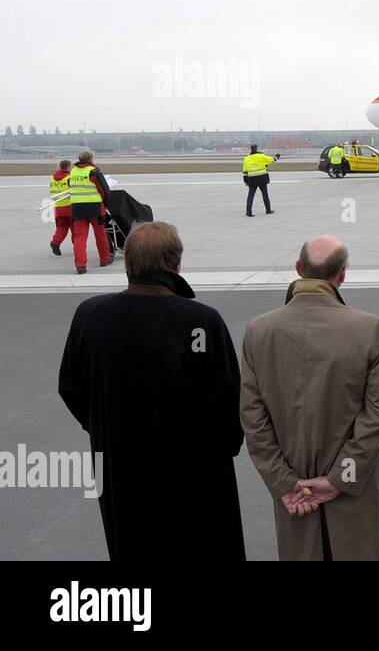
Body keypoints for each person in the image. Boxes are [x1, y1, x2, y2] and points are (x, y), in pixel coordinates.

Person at [58, 222, 245, 561]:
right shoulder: (201, 321)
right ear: (176, 264)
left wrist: (102, 425)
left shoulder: (90, 315)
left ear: (128, 263)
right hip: (194, 472)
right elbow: (228, 400)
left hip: (120, 466)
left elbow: (71, 386)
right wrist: (222, 447)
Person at [240, 235, 379, 561]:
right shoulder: (368, 329)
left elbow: (253, 419)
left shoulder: (259, 331)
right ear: (342, 274)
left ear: (298, 268)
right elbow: (378, 412)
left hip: (295, 496)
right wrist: (342, 476)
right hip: (352, 495)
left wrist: (284, 483)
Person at [67, 150, 112, 274]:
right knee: (100, 235)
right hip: (95, 208)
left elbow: (69, 185)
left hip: (77, 208)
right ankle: (104, 259)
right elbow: (105, 191)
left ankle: (80, 264)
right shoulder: (93, 172)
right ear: (91, 158)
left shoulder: (73, 171)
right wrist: (105, 204)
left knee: (79, 238)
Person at [242, 143, 280, 216]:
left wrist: (246, 181)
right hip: (262, 178)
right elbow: (271, 160)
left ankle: (248, 212)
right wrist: (277, 157)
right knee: (265, 194)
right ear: (256, 149)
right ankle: (268, 210)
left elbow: (245, 172)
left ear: (251, 149)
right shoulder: (261, 156)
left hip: (252, 179)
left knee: (250, 196)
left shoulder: (246, 158)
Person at [49, 159, 73, 256]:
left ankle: (55, 242)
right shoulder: (69, 177)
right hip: (70, 207)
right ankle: (78, 246)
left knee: (61, 227)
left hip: (58, 207)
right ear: (68, 166)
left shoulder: (53, 178)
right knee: (76, 230)